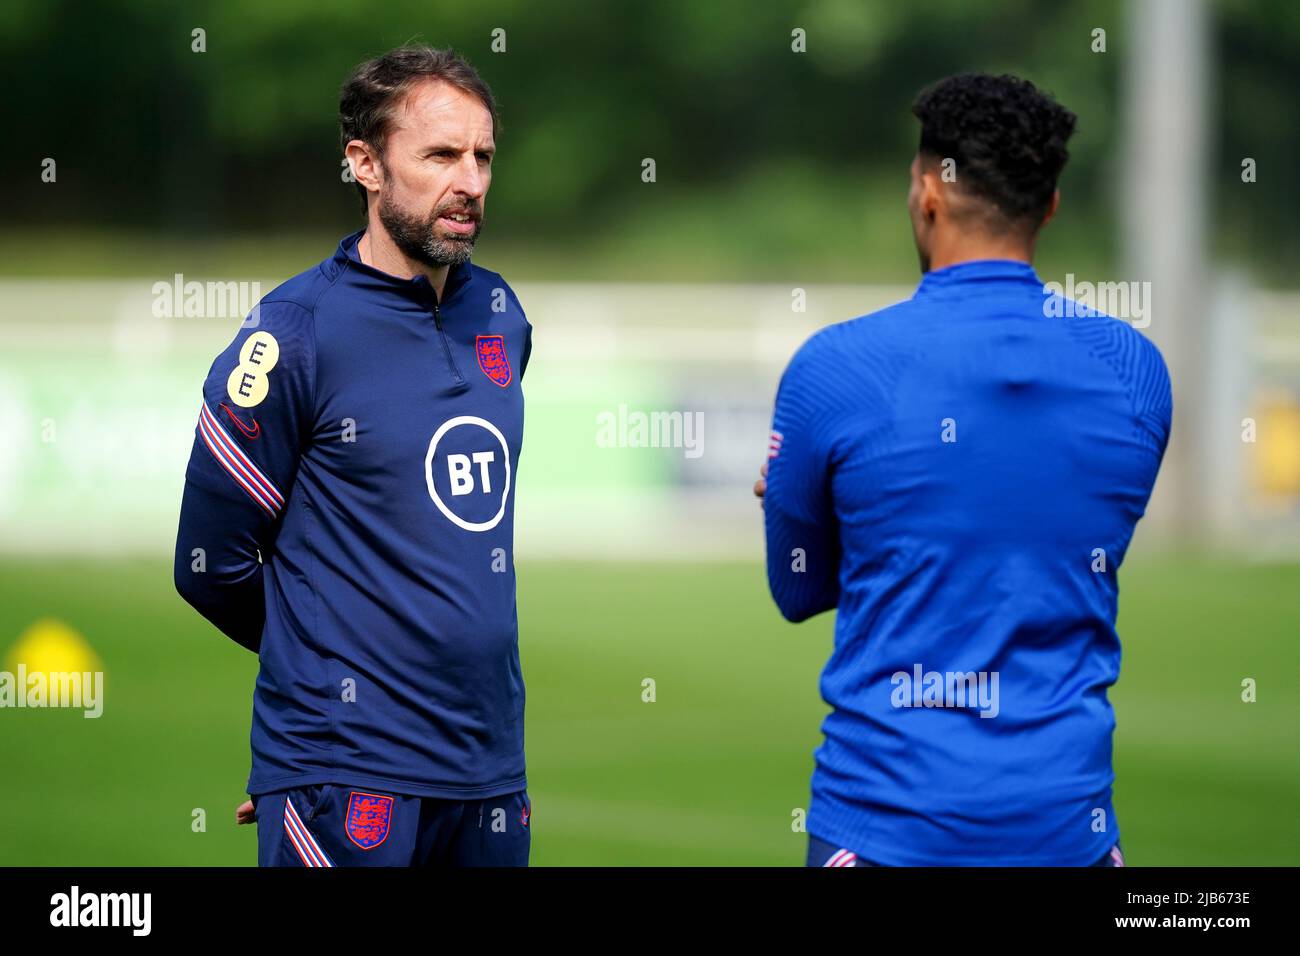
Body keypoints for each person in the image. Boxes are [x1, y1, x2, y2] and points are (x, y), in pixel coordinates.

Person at [757, 73, 1170, 867]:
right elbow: (1060, 535)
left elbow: (798, 589)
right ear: (1049, 206)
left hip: (883, 830)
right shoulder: (1136, 372)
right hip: (1070, 833)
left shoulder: (835, 370)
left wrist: (826, 511)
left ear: (926, 195)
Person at [174, 45, 533, 866]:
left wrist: (487, 763)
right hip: (345, 775)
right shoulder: (293, 334)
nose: (471, 181)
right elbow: (208, 563)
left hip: (487, 776)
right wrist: (325, 720)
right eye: (441, 154)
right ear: (365, 164)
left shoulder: (501, 313)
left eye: (482, 156)